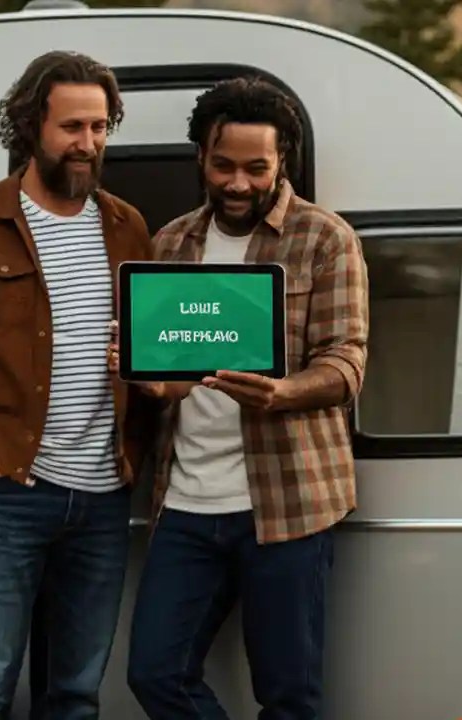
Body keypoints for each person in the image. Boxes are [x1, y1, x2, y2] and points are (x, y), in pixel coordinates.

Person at [0, 50, 159, 720]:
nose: (89, 143)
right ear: (30, 127)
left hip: (102, 497)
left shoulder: (127, 225)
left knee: (74, 695)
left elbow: (148, 347)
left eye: (101, 127)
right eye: (72, 127)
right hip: (7, 495)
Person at [111, 76, 369, 719]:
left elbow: (346, 362)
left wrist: (281, 393)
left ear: (282, 163)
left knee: (289, 695)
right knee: (154, 674)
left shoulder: (324, 239)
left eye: (257, 168)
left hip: (289, 506)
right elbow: (170, 377)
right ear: (201, 156)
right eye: (223, 165)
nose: (238, 183)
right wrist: (148, 380)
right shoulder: (169, 244)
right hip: (188, 506)